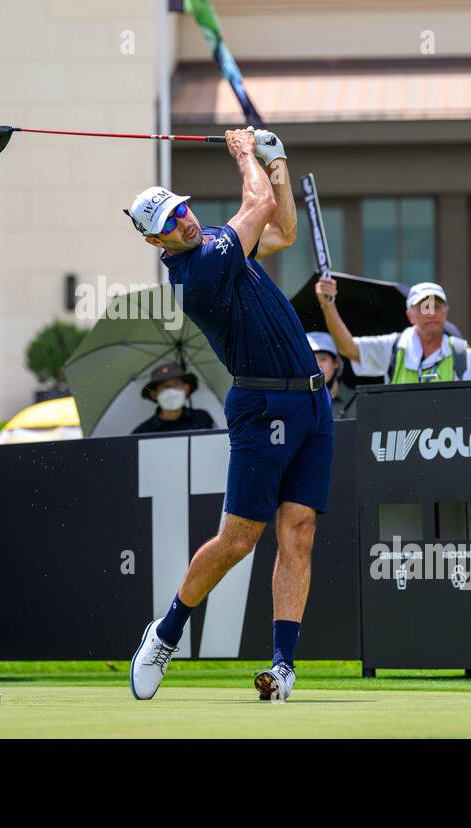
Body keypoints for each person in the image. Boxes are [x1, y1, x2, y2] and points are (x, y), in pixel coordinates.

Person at [122, 126, 332, 703]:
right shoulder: (199, 271)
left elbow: (284, 229)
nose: (184, 220)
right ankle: (165, 633)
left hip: (313, 402)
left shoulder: (217, 238)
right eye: (169, 222)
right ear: (155, 242)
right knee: (240, 540)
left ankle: (283, 667)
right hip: (262, 405)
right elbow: (259, 204)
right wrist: (246, 153)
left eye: (181, 209)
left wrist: (278, 161)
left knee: (301, 532)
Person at [319, 279, 471, 384]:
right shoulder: (394, 347)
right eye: (423, 307)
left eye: (436, 306)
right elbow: (348, 348)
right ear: (410, 316)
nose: (431, 313)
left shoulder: (463, 354)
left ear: (446, 311)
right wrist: (328, 305)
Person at [132, 362, 215, 434]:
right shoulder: (142, 432)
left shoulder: (203, 419)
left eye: (176, 385)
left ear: (186, 389)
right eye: (165, 387)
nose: (171, 391)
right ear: (154, 394)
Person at [306, 332, 350, 420]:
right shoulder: (294, 404)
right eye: (310, 360)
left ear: (336, 362)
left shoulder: (357, 400)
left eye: (323, 359)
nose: (317, 366)